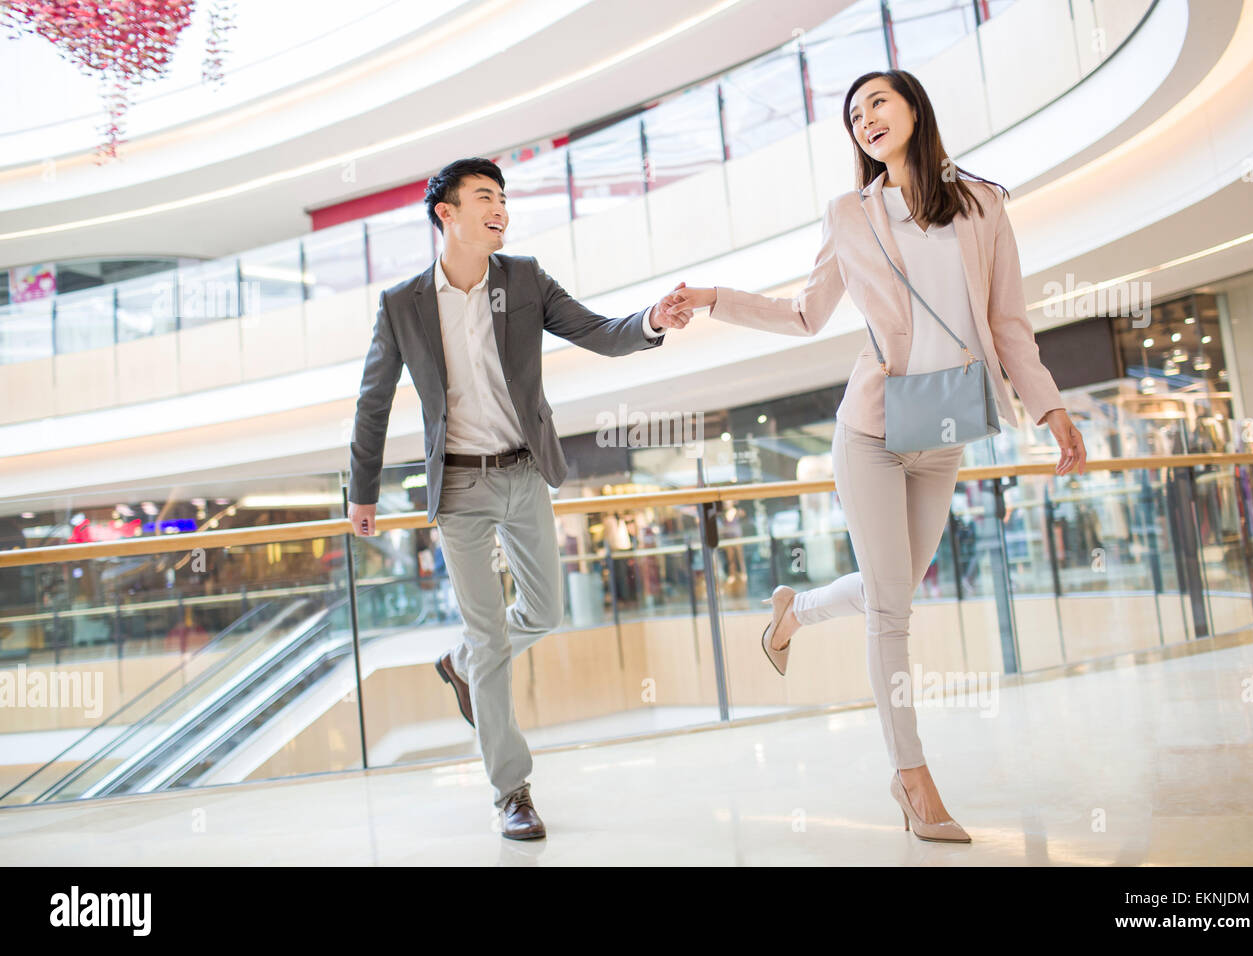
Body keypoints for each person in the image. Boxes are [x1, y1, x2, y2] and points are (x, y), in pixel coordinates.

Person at [662, 70, 1088, 844]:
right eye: (854, 116)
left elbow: (1008, 322)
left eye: (877, 104)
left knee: (893, 590)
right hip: (872, 430)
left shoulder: (983, 204)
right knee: (892, 608)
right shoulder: (850, 215)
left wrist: (1051, 405)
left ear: (915, 108)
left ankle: (794, 611)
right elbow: (803, 313)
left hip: (948, 424)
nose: (865, 121)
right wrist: (717, 297)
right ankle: (912, 776)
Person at [346, 157, 688, 840]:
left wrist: (650, 319)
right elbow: (373, 402)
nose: (499, 207)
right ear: (446, 212)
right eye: (483, 197)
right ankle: (513, 791)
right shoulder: (403, 305)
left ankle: (461, 666)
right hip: (460, 488)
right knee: (490, 635)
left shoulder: (525, 280)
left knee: (544, 611)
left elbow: (597, 332)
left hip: (525, 471)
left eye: (502, 197)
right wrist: (363, 492)